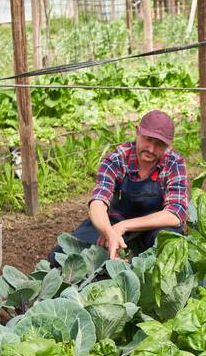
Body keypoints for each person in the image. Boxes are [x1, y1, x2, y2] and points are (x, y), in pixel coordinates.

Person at [51, 110, 189, 264]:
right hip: (112, 223)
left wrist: (124, 226)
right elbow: (98, 202)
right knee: (59, 257)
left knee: (170, 246)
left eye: (159, 144)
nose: (151, 149)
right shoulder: (116, 159)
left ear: (168, 145)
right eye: (148, 140)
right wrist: (109, 233)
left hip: (152, 228)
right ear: (137, 131)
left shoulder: (174, 163)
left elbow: (176, 213)